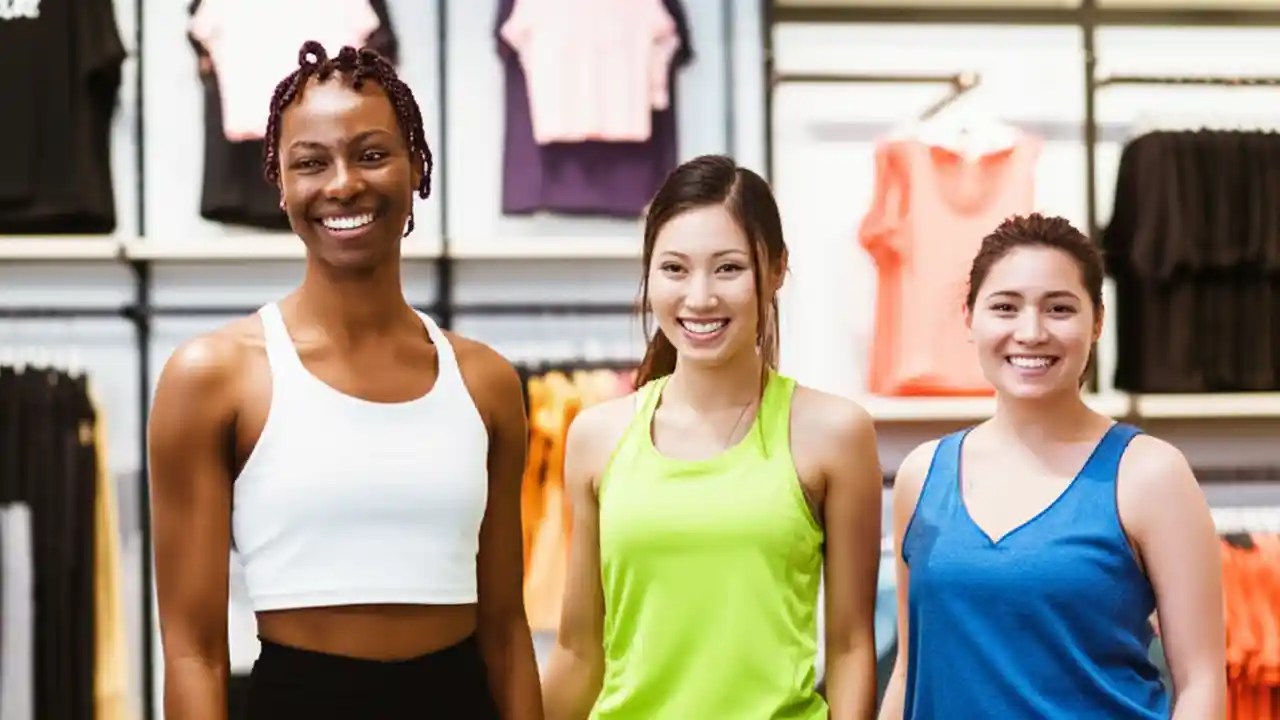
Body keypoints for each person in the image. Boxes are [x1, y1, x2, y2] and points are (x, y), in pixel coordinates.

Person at [148, 41, 542, 719]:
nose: (342, 184)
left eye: (371, 154)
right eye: (311, 162)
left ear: (416, 166)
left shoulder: (486, 383)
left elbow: (506, 634)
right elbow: (193, 653)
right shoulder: (213, 378)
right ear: (280, 183)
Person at [540, 154, 885, 719]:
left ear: (776, 270)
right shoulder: (597, 436)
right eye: (674, 269)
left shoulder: (834, 434)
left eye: (728, 268)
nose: (699, 297)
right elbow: (579, 653)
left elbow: (851, 648)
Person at [878, 213, 1227, 719]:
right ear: (969, 318)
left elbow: (1201, 683)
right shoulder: (922, 475)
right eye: (1005, 307)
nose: (1031, 332)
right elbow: (909, 671)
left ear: (1097, 321)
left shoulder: (1151, 475)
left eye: (1059, 308)